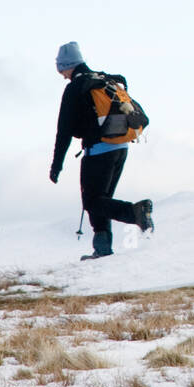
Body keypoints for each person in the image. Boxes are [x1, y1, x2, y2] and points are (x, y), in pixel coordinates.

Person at [50, 41, 154, 259]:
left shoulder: (75, 88)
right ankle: (103, 249)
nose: (62, 75)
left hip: (98, 151)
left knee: (92, 201)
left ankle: (135, 213)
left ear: (68, 65)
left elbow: (64, 130)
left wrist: (56, 165)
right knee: (101, 200)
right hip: (121, 148)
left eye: (61, 69)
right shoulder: (105, 80)